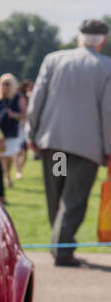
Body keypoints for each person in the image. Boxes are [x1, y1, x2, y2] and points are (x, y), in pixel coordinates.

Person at [26, 18, 111, 266]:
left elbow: (37, 100)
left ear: (79, 37)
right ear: (103, 40)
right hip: (87, 149)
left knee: (58, 195)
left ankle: (60, 247)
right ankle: (62, 250)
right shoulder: (106, 67)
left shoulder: (53, 60)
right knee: (73, 199)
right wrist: (109, 148)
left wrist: (32, 133)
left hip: (55, 146)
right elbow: (108, 113)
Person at [0, 73, 25, 188]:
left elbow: (24, 114)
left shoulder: (18, 97)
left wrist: (14, 115)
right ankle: (1, 178)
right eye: (3, 84)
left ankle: (7, 175)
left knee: (9, 155)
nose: (5, 86)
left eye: (7, 84)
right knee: (0, 155)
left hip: (11, 129)